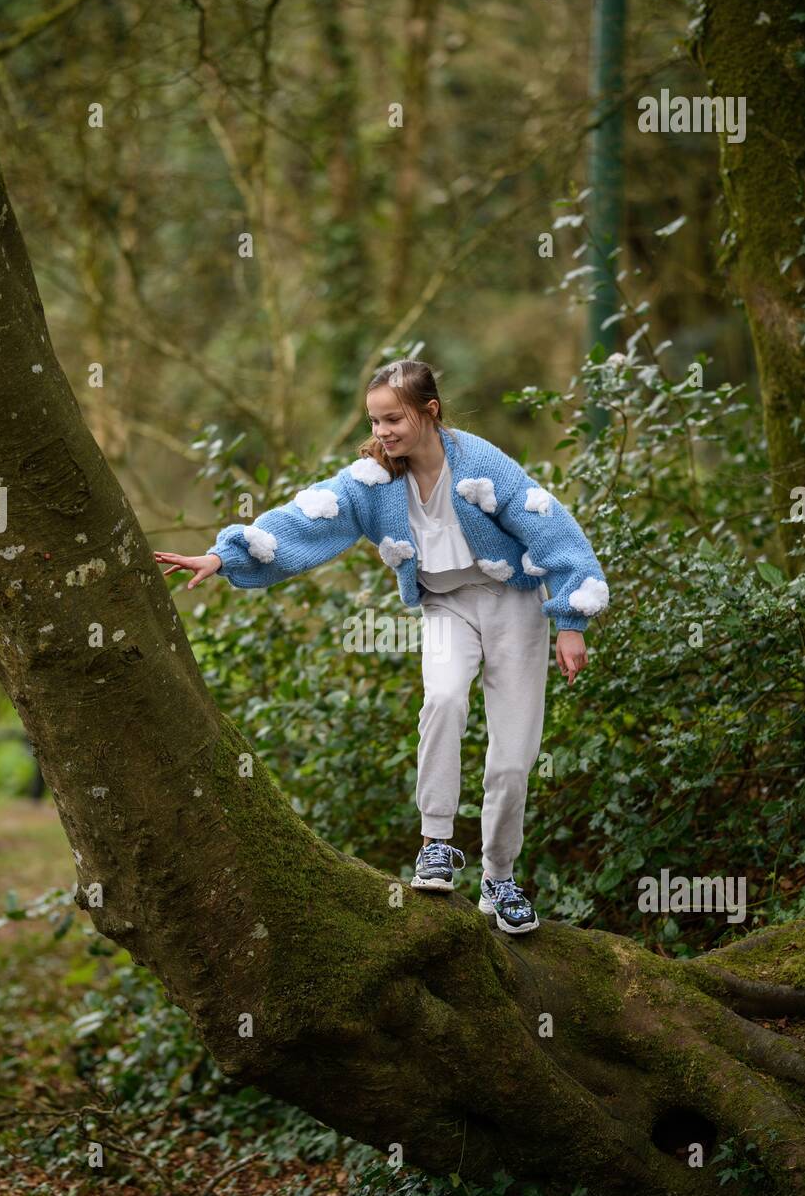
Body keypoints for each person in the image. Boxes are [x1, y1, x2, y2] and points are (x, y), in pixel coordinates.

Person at [154, 360, 608, 935]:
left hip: (513, 605)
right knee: (443, 701)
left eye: (393, 418)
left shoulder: (480, 465)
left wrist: (571, 619)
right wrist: (223, 556)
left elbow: (552, 527)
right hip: (447, 608)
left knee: (513, 759)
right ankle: (437, 845)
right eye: (375, 420)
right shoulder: (373, 481)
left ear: (430, 412)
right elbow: (304, 519)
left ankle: (500, 878)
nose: (383, 431)